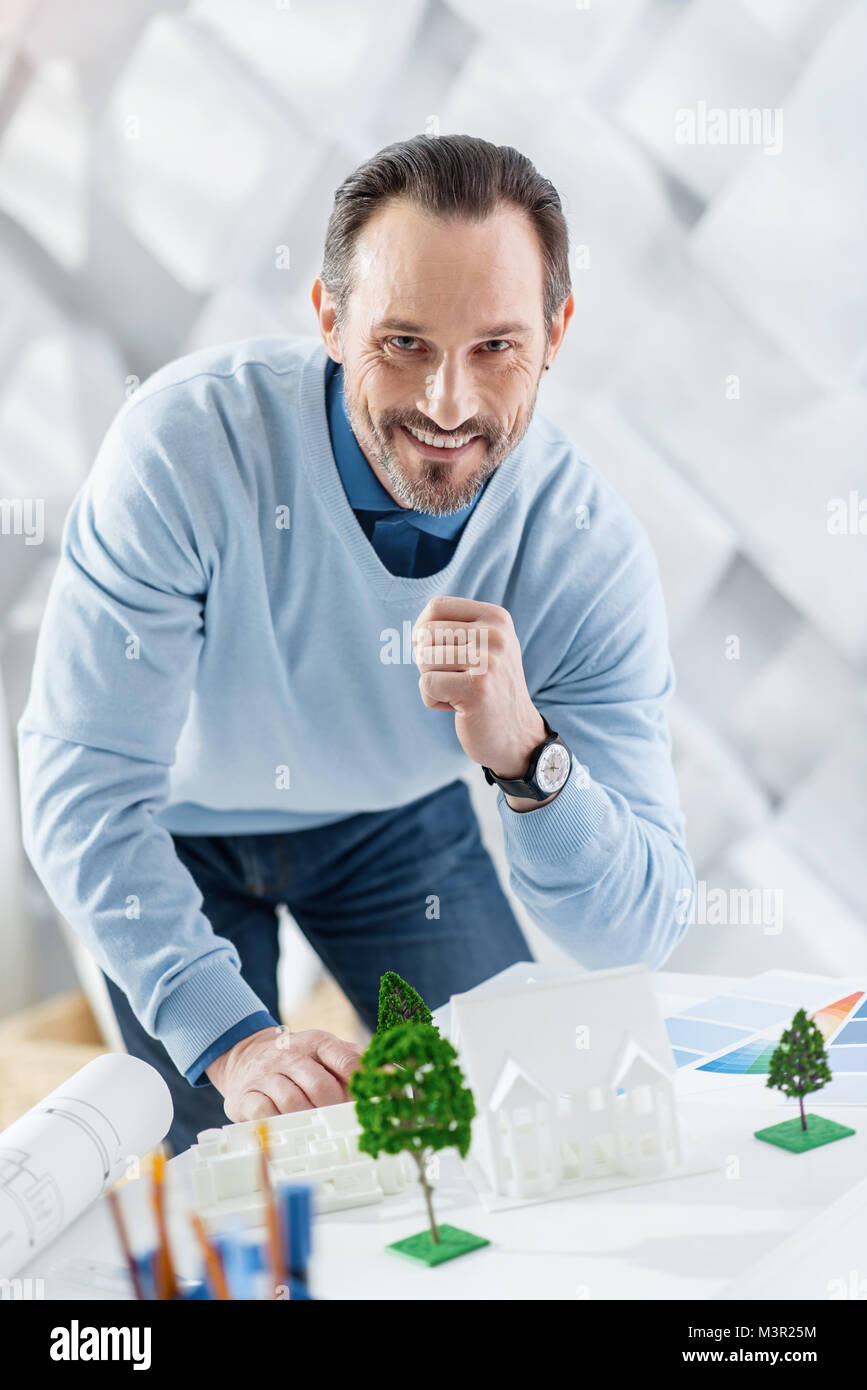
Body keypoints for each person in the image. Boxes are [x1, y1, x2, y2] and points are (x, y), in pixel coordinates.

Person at [18, 135, 695, 1153]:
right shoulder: (183, 450)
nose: (449, 405)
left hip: (392, 826)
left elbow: (637, 927)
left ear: (557, 332)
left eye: (496, 347)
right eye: (406, 343)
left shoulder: (582, 552)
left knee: (507, 1125)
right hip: (167, 832)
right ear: (331, 319)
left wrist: (528, 759)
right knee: (234, 1176)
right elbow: (80, 787)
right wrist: (236, 1040)